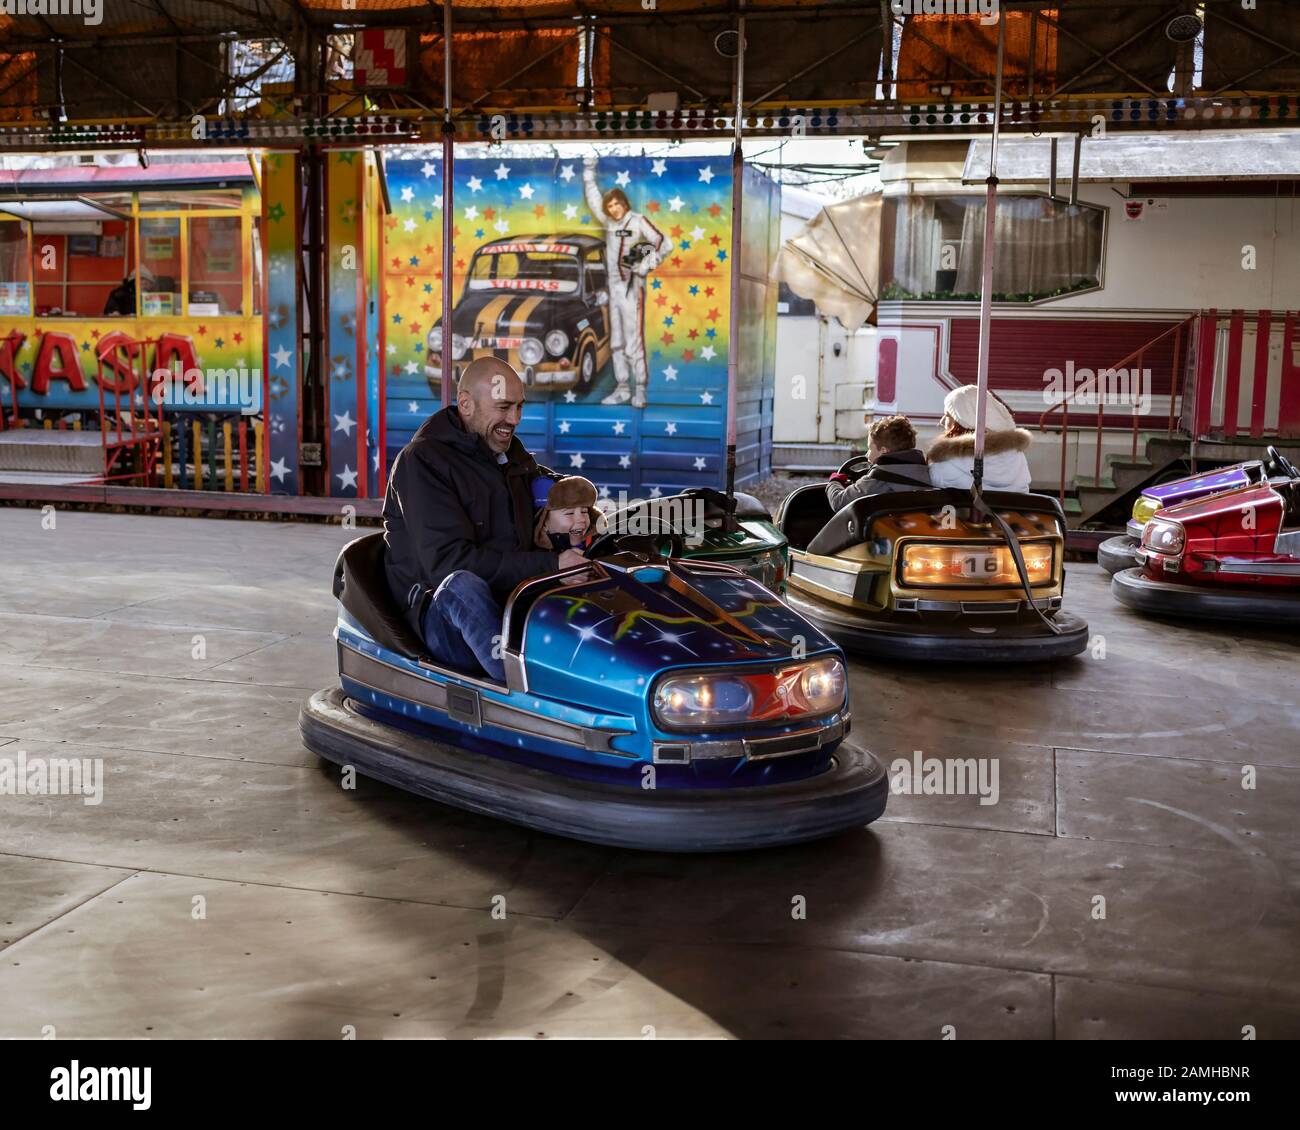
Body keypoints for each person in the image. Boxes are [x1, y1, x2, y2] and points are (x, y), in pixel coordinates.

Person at [382, 356, 586, 682]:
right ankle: (522, 689)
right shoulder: (423, 461)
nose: (515, 418)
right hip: (442, 618)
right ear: (466, 404)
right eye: (504, 407)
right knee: (462, 584)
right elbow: (448, 564)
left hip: (507, 605)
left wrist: (581, 514)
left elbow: (555, 492)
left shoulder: (511, 458)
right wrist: (552, 566)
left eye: (520, 407)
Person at [583, 155, 671, 408]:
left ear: (624, 203)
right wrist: (589, 171)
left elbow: (665, 243)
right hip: (614, 288)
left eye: (616, 204)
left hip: (632, 288)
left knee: (634, 341)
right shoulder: (609, 224)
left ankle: (639, 389)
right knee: (617, 341)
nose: (612, 209)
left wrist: (646, 265)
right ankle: (622, 387)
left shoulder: (638, 220)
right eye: (609, 206)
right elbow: (593, 199)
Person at [926, 384, 1033, 493]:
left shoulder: (943, 468)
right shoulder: (1019, 460)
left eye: (947, 415)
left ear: (961, 422)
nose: (942, 421)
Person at [826, 414, 930, 511]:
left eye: (870, 449)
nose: (867, 454)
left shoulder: (879, 477)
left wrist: (834, 482)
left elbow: (839, 502)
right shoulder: (924, 470)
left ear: (884, 450)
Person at [532, 475, 602, 552]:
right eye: (570, 513)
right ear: (544, 523)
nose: (582, 519)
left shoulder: (599, 547)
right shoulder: (538, 560)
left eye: (584, 511)